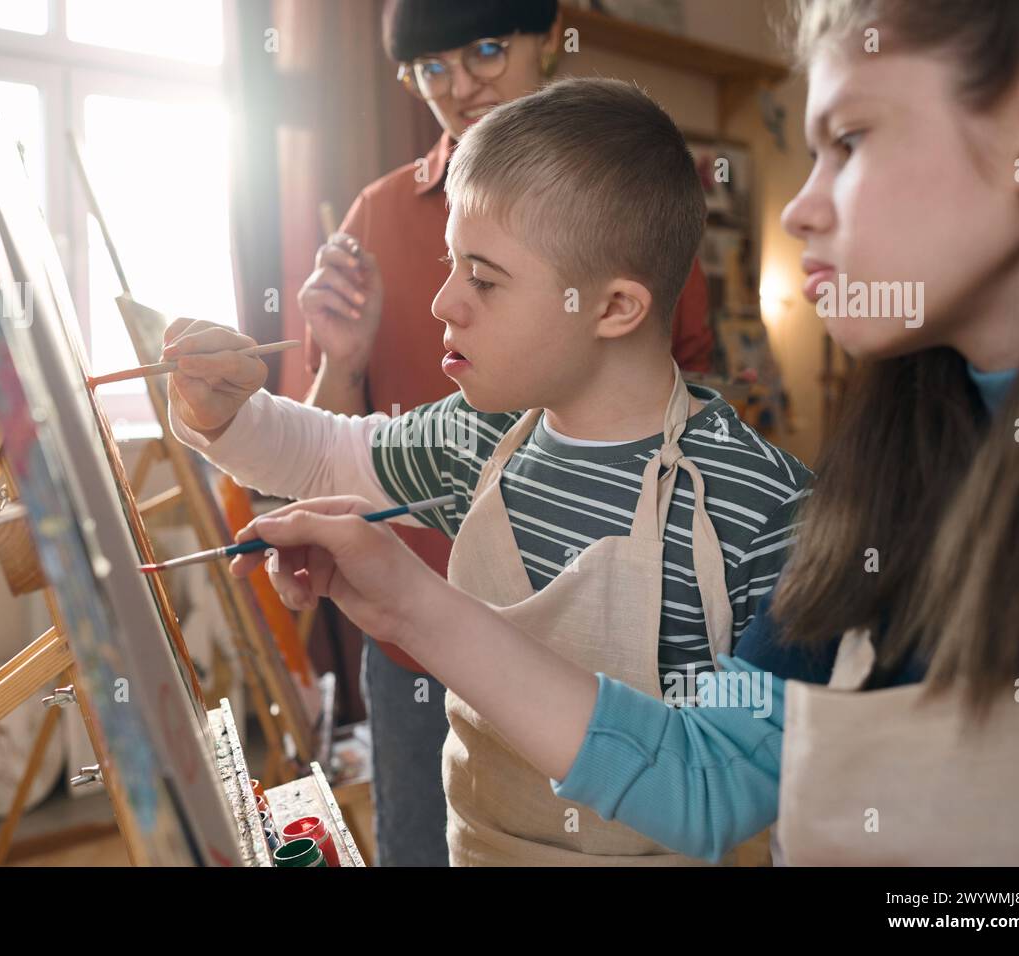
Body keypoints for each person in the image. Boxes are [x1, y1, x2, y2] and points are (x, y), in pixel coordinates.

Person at [225, 0, 1019, 865]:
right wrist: (399, 590)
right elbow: (714, 777)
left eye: (849, 142)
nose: (798, 211)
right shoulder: (889, 480)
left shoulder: (768, 497)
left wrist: (411, 599)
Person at [163, 76, 809, 865]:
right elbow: (324, 452)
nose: (442, 302)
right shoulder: (480, 436)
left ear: (613, 308)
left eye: (484, 278)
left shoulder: (762, 503)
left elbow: (754, 786)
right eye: (449, 264)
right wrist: (220, 411)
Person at [292, 0, 715, 866]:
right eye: (432, 69)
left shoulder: (623, 203)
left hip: (598, 635)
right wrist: (341, 357)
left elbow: (690, 398)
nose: (462, 86)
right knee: (424, 847)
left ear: (543, 39)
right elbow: (323, 452)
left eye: (486, 49)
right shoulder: (374, 216)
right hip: (415, 636)